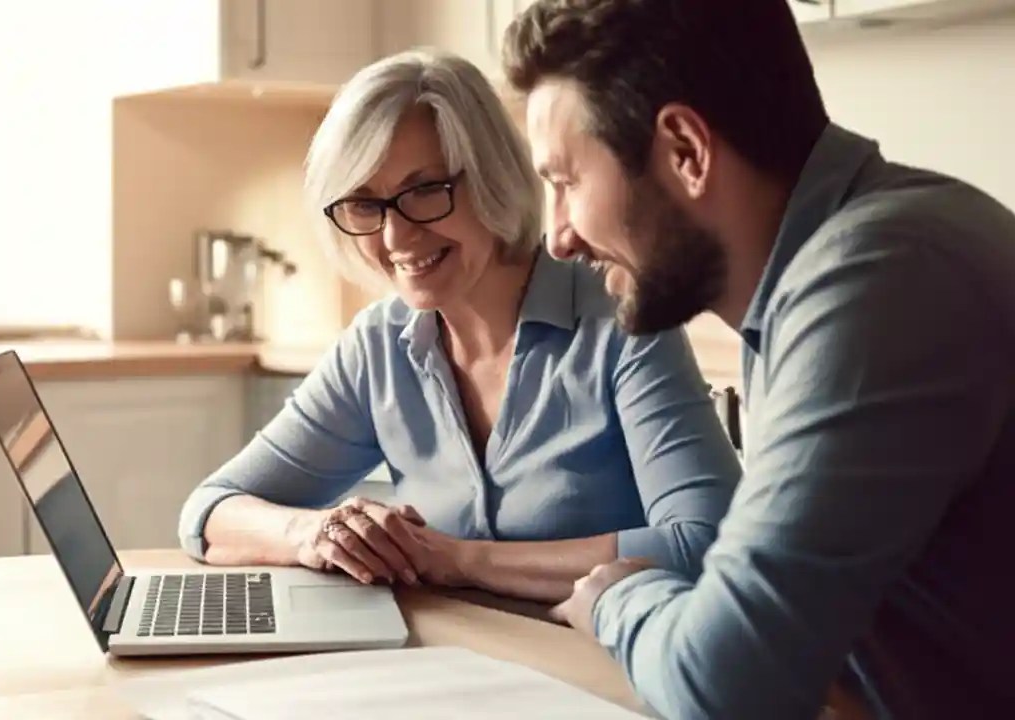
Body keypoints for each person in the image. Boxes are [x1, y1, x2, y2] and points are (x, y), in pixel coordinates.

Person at [503, 0, 1015, 717]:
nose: (558, 237)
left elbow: (725, 684)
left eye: (564, 182)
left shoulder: (878, 277)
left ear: (686, 150)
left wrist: (619, 594)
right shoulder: (825, 277)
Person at [176, 48, 742, 605]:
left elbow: (706, 541)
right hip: (447, 671)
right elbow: (211, 510)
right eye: (364, 204)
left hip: (603, 673)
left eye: (425, 191)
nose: (396, 238)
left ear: (492, 178)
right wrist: (316, 534)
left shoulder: (623, 325)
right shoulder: (377, 347)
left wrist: (460, 559)